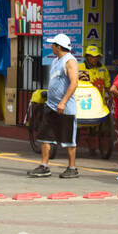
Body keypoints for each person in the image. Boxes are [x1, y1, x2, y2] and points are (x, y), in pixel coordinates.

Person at [29, 33, 79, 178]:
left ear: (58, 47)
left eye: (53, 45)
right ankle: (44, 166)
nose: (51, 47)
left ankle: (72, 168)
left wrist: (63, 101)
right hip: (50, 105)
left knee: (69, 138)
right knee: (45, 136)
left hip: (65, 107)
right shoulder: (56, 60)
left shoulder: (70, 61)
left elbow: (74, 83)